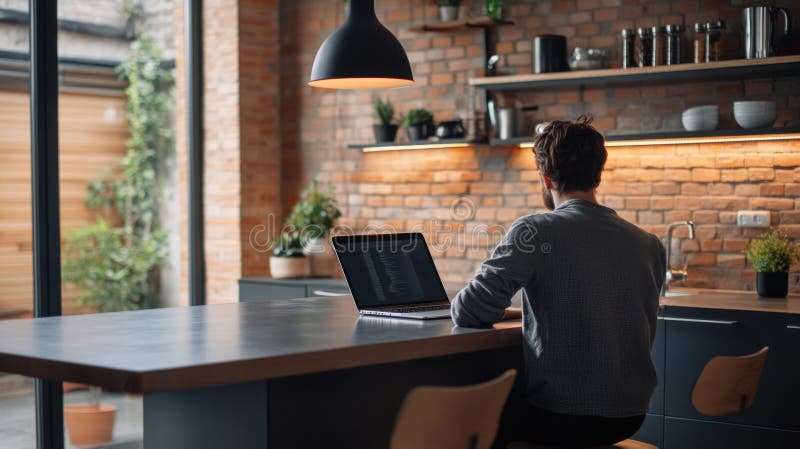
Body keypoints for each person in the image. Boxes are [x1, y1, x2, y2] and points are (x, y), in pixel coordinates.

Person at [450, 117, 666, 448]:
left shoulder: (535, 230)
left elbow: (468, 310)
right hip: (630, 414)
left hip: (563, 416)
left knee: (474, 415)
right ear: (597, 176)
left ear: (546, 178)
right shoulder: (648, 242)